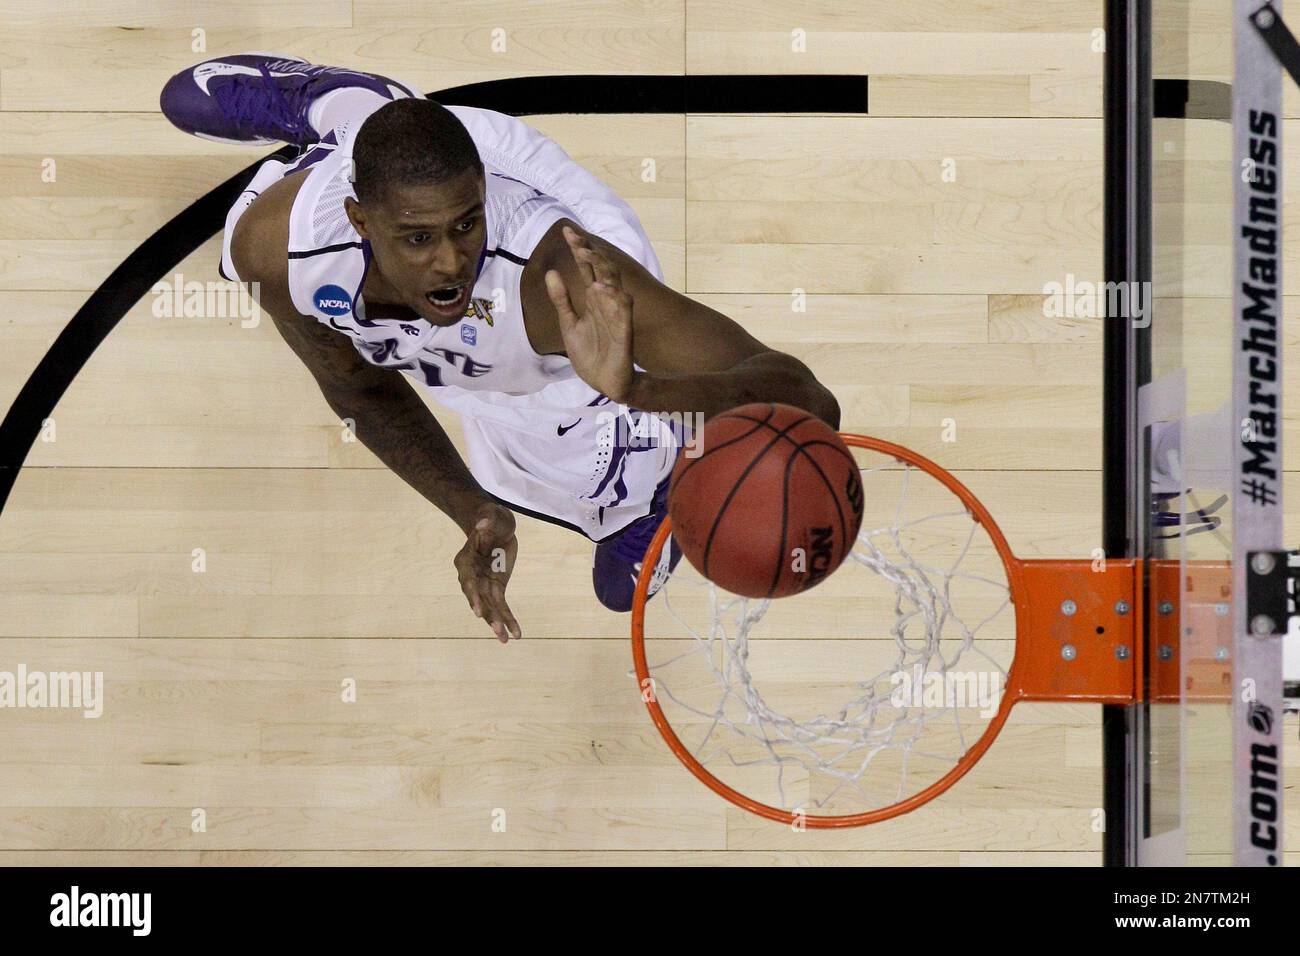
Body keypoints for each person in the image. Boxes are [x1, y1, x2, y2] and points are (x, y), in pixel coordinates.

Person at [160, 54, 840, 641]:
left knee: (570, 444)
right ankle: (346, 105)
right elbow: (356, 385)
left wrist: (641, 389)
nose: (452, 262)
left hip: (549, 288)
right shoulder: (274, 252)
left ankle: (644, 488)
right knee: (473, 379)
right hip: (420, 197)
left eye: (466, 225)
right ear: (359, 221)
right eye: (419, 239)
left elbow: (810, 403)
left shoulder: (570, 288)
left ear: (482, 197)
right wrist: (473, 509)